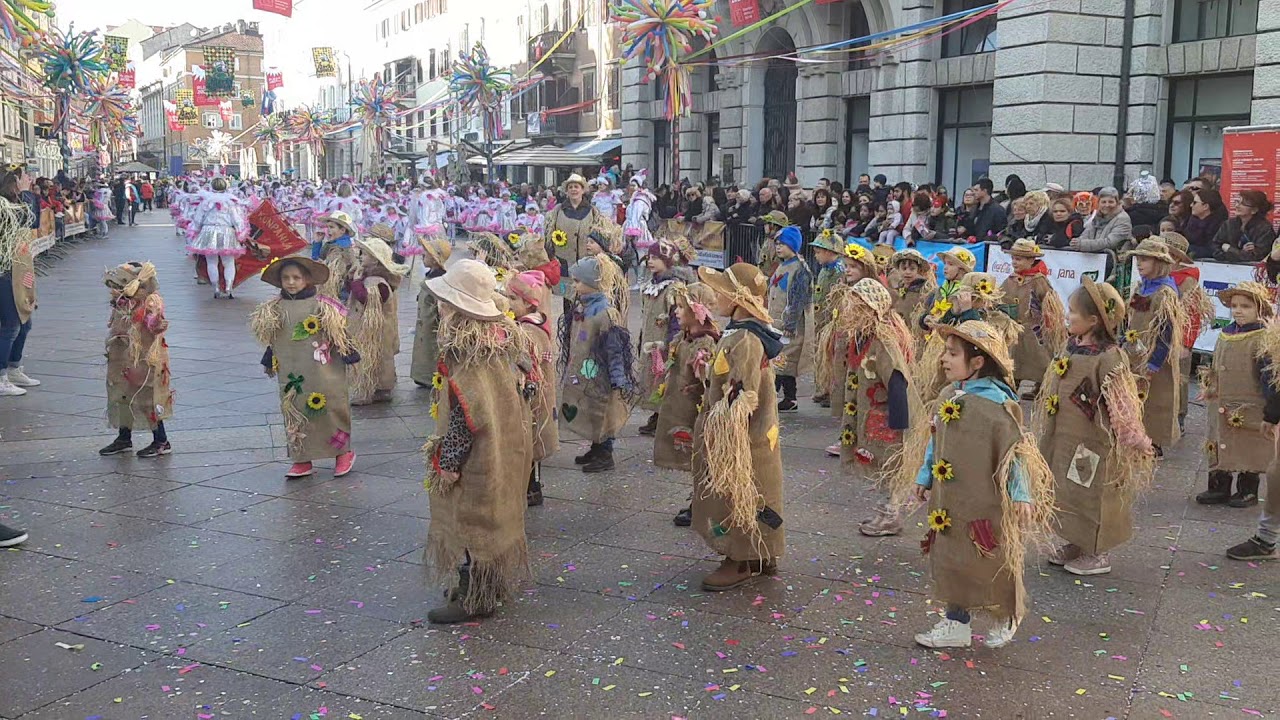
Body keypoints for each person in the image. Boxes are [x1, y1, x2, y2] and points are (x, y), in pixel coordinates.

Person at [909, 319, 1054, 649]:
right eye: (945, 352)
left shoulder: (996, 407)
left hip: (984, 503)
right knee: (951, 557)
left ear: (976, 362)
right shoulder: (949, 395)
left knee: (990, 557)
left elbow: (1013, 454)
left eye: (952, 354)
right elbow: (935, 438)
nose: (944, 359)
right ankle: (956, 621)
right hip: (950, 502)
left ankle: (1007, 613)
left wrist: (1021, 494)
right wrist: (925, 475)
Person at [422, 259, 533, 624]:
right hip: (505, 444)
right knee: (493, 514)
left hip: (478, 454)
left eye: (445, 302)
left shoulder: (466, 354)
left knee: (472, 519)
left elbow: (466, 414)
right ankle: (490, 585)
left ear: (458, 310)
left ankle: (476, 597)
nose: (440, 307)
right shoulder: (499, 341)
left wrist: (449, 462)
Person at [1036, 276, 1153, 576]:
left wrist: (1133, 436)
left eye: (1073, 312)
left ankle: (1097, 551)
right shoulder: (1071, 347)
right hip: (1065, 436)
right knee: (1069, 490)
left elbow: (1121, 400)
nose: (1068, 316)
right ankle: (1077, 541)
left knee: (1093, 493)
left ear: (1093, 321)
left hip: (1092, 441)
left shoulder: (1108, 357)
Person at [692, 263, 786, 590]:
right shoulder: (742, 333)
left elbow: (743, 392)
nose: (715, 297)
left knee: (740, 493)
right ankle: (761, 553)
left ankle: (741, 558)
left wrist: (727, 435)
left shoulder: (745, 339)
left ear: (737, 300)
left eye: (721, 292)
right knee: (758, 491)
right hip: (754, 434)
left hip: (743, 437)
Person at [824, 278, 920, 537]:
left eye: (856, 306)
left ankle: (891, 515)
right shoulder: (861, 337)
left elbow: (896, 380)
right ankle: (884, 512)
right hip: (871, 417)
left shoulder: (883, 342)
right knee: (878, 467)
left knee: (889, 468)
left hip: (886, 419)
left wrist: (899, 425)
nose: (849, 311)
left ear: (871, 310)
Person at [252, 256, 358, 479]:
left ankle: (342, 452)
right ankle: (301, 457)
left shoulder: (322, 306)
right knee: (295, 411)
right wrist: (269, 357)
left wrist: (348, 351)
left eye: (296, 277)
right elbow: (273, 337)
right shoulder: (274, 308)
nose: (291, 282)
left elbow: (338, 332)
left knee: (332, 407)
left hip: (324, 371)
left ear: (307, 279)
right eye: (286, 278)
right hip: (292, 372)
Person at [1197, 282, 1275, 508]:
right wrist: (1209, 386)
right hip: (1221, 399)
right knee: (1218, 439)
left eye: (1246, 306)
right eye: (1234, 306)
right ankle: (1218, 485)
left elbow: (1269, 375)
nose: (1238, 311)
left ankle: (1247, 489)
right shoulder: (1225, 333)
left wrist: (1271, 407)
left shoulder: (1263, 337)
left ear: (1260, 309)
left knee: (1247, 445)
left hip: (1248, 404)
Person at [559, 255, 633, 473]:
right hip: (586, 374)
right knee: (590, 410)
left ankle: (605, 454)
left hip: (601, 376)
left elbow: (614, 349)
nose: (574, 285)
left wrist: (618, 378)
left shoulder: (605, 314)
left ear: (592, 283)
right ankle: (596, 447)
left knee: (603, 413)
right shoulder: (583, 307)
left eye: (578, 281)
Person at [657, 283, 721, 527]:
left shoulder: (704, 343)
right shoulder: (685, 338)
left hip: (696, 411)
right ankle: (699, 501)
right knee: (694, 458)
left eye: (681, 307)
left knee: (702, 458)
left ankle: (702, 505)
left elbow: (708, 381)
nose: (676, 311)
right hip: (681, 408)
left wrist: (702, 370)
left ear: (697, 311)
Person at [98, 262, 174, 458]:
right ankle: (124, 438)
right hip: (122, 356)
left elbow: (155, 326)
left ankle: (161, 440)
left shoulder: (149, 302)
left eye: (117, 286)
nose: (113, 291)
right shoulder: (123, 302)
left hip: (144, 359)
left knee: (147, 398)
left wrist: (155, 320)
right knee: (122, 395)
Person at [1121, 239, 1186, 454]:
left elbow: (1167, 331)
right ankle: (1136, 437)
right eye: (1138, 259)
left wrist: (1155, 362)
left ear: (1159, 263)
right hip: (1136, 351)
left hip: (1156, 354)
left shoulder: (1165, 293)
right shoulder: (1142, 287)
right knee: (1136, 396)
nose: (1139, 264)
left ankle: (1155, 442)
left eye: (1145, 260)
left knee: (1157, 398)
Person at [504, 271, 559, 507]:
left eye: (512, 298)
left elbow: (525, 363)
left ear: (528, 303)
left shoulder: (529, 330)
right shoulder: (530, 323)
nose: (507, 303)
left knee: (531, 441)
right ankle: (529, 486)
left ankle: (532, 489)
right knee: (530, 440)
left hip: (534, 397)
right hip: (535, 394)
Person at [347, 232, 410, 405]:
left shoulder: (378, 282)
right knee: (380, 357)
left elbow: (366, 299)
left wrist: (357, 282)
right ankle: (381, 387)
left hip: (377, 331)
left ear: (375, 260)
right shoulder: (369, 276)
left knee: (378, 358)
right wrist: (353, 278)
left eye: (365, 254)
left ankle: (377, 389)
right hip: (372, 329)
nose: (361, 256)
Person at [637, 238, 692, 435]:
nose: (650, 261)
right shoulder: (651, 285)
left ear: (668, 260)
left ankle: (664, 418)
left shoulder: (674, 288)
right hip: (651, 343)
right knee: (653, 380)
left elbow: (676, 320)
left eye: (656, 258)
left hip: (664, 344)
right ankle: (657, 414)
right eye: (649, 258)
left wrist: (672, 344)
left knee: (664, 381)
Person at [1000, 239, 1067, 397]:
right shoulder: (1010, 280)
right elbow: (1001, 297)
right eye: (1013, 258)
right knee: (1014, 358)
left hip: (1034, 329)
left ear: (1031, 260)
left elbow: (1049, 302)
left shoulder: (1038, 280)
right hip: (1015, 327)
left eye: (1019, 259)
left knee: (1039, 358)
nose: (1014, 262)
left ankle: (1042, 386)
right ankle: (1012, 385)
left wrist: (1050, 321)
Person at [0, 170, 40, 398]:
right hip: (5, 272)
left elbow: (32, 220)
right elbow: (25, 219)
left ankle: (13, 367)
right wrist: (26, 193)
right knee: (12, 324)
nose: (28, 180)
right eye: (23, 178)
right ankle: (1, 376)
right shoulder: (3, 206)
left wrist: (26, 194)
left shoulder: (13, 203)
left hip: (18, 270)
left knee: (24, 323)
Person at [769, 226, 813, 413]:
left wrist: (790, 324)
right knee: (782, 361)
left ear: (793, 246)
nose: (778, 247)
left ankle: (775, 395)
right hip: (776, 322)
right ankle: (788, 397)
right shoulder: (783, 265)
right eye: (777, 244)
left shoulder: (800, 269)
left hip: (789, 326)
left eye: (783, 244)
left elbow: (798, 299)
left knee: (783, 360)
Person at [187, 177, 249, 299]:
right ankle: (229, 288)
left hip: (208, 231)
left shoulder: (205, 201)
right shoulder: (231, 201)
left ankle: (216, 288)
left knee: (211, 262)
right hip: (226, 231)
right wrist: (240, 232)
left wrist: (194, 231)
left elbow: (198, 219)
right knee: (228, 262)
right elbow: (237, 219)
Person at [409, 239, 452, 389]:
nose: (423, 255)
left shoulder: (439, 280)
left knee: (431, 350)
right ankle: (421, 375)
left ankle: (429, 376)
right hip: (425, 324)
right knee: (423, 349)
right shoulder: (430, 276)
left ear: (434, 259)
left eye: (426, 253)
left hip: (432, 326)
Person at [1212, 190, 1276, 262]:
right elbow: (1215, 247)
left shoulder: (1265, 229)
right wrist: (1236, 254)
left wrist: (1229, 249)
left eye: (1243, 204)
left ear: (1254, 210)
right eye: (1237, 202)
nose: (1237, 206)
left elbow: (1257, 256)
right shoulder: (1228, 224)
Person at [1076, 187, 1133, 252]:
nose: (1107, 205)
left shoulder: (1122, 218)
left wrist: (1082, 245)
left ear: (1117, 203)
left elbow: (1111, 243)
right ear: (1098, 203)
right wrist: (1077, 242)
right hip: (1094, 257)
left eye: (1111, 202)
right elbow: (1086, 235)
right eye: (1103, 202)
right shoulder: (1097, 217)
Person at [1182, 188, 1227, 258]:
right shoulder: (1189, 221)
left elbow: (1212, 250)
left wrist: (1186, 249)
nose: (1191, 205)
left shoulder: (1219, 226)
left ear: (1205, 206)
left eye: (1195, 202)